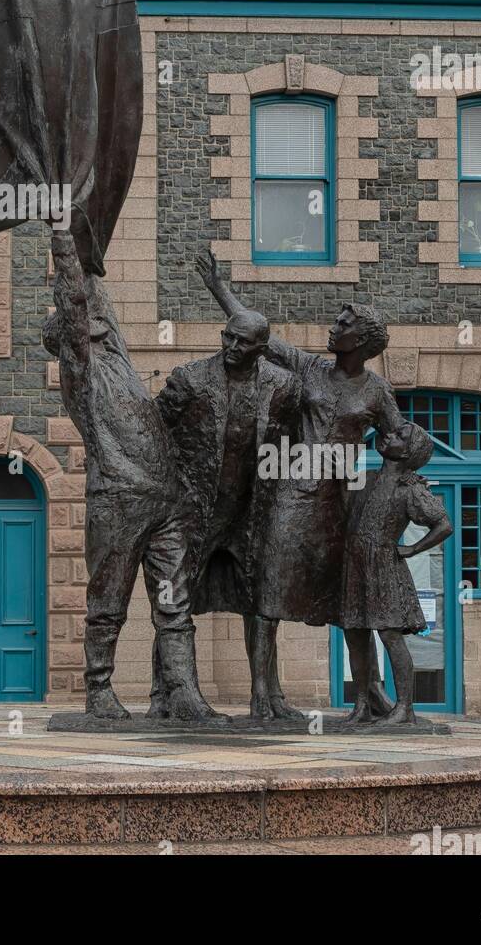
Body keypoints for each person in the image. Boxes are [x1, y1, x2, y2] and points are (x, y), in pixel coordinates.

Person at [196, 250, 404, 720]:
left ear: (362, 340)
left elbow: (401, 441)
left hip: (339, 505)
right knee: (266, 596)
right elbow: (260, 338)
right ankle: (264, 699)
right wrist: (219, 289)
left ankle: (369, 693)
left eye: (343, 323)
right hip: (288, 497)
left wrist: (396, 491)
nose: (334, 326)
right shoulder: (309, 369)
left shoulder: (376, 392)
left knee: (349, 602)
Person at [45, 228, 215, 721]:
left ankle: (183, 693)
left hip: (163, 503)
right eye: (88, 320)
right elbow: (75, 307)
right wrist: (63, 242)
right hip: (117, 502)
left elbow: (94, 298)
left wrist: (85, 235)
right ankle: (99, 691)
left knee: (173, 602)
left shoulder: (116, 355)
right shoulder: (79, 371)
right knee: (109, 599)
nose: (100, 321)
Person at [150, 305, 301, 720]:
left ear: (262, 348)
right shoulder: (190, 379)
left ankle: (268, 697)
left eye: (242, 342)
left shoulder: (284, 387)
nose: (232, 346)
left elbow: (291, 446)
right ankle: (166, 696)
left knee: (261, 602)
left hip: (251, 511)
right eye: (227, 337)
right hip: (193, 511)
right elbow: (151, 434)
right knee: (173, 598)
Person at [339, 422, 452, 726]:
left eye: (400, 436)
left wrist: (413, 549)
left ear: (409, 452)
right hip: (355, 565)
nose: (389, 435)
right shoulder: (367, 480)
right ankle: (362, 703)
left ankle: (404, 707)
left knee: (389, 635)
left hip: (385, 567)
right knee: (355, 633)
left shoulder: (410, 488)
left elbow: (444, 525)